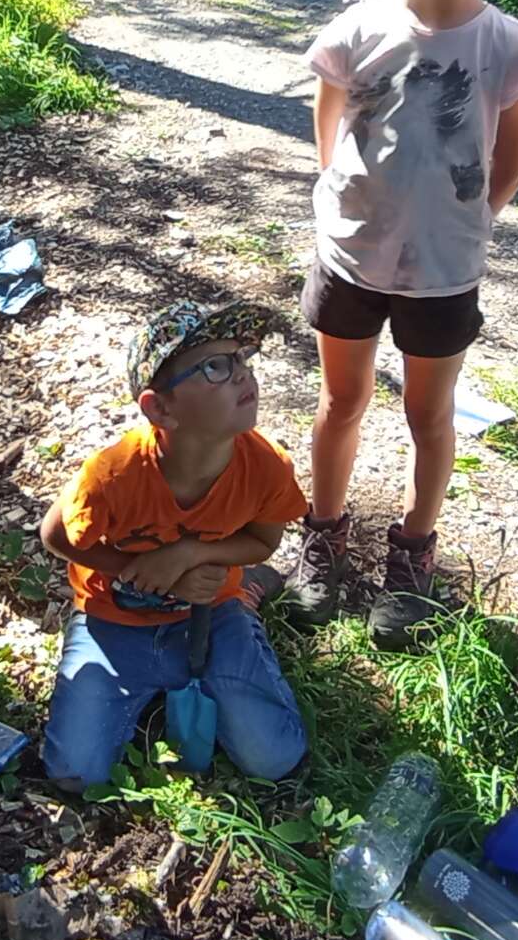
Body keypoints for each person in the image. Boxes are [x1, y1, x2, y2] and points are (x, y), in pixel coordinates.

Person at [282, 0, 518, 650]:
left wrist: (476, 215)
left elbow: (517, 146)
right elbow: (331, 123)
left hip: (445, 268)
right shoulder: (361, 28)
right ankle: (324, 534)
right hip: (352, 255)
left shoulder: (502, 40)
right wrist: (346, 199)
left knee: (431, 413)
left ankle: (413, 552)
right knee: (342, 400)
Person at [37, 301, 312, 788]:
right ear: (160, 408)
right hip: (114, 617)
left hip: (212, 610)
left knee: (275, 760)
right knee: (74, 774)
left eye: (242, 359)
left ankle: (246, 602)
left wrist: (191, 554)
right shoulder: (114, 474)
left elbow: (263, 541)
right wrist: (130, 566)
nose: (240, 376)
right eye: (215, 366)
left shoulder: (266, 466)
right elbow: (55, 535)